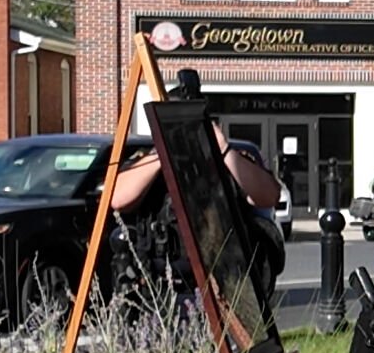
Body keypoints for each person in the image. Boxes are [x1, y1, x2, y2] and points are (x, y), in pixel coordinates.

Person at [109, 82, 285, 314]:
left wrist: (222, 149)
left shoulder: (228, 163)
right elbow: (117, 198)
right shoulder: (149, 163)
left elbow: (268, 196)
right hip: (159, 289)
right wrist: (164, 151)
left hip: (220, 289)